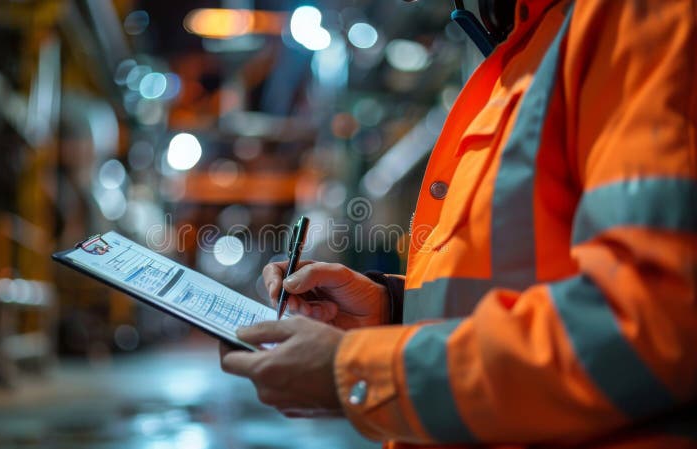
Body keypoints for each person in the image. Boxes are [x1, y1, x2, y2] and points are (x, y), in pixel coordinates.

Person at [220, 0, 697, 447]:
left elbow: (654, 323)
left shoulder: (630, 19)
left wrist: (358, 369)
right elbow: (526, 278)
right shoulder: (533, 46)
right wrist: (391, 312)